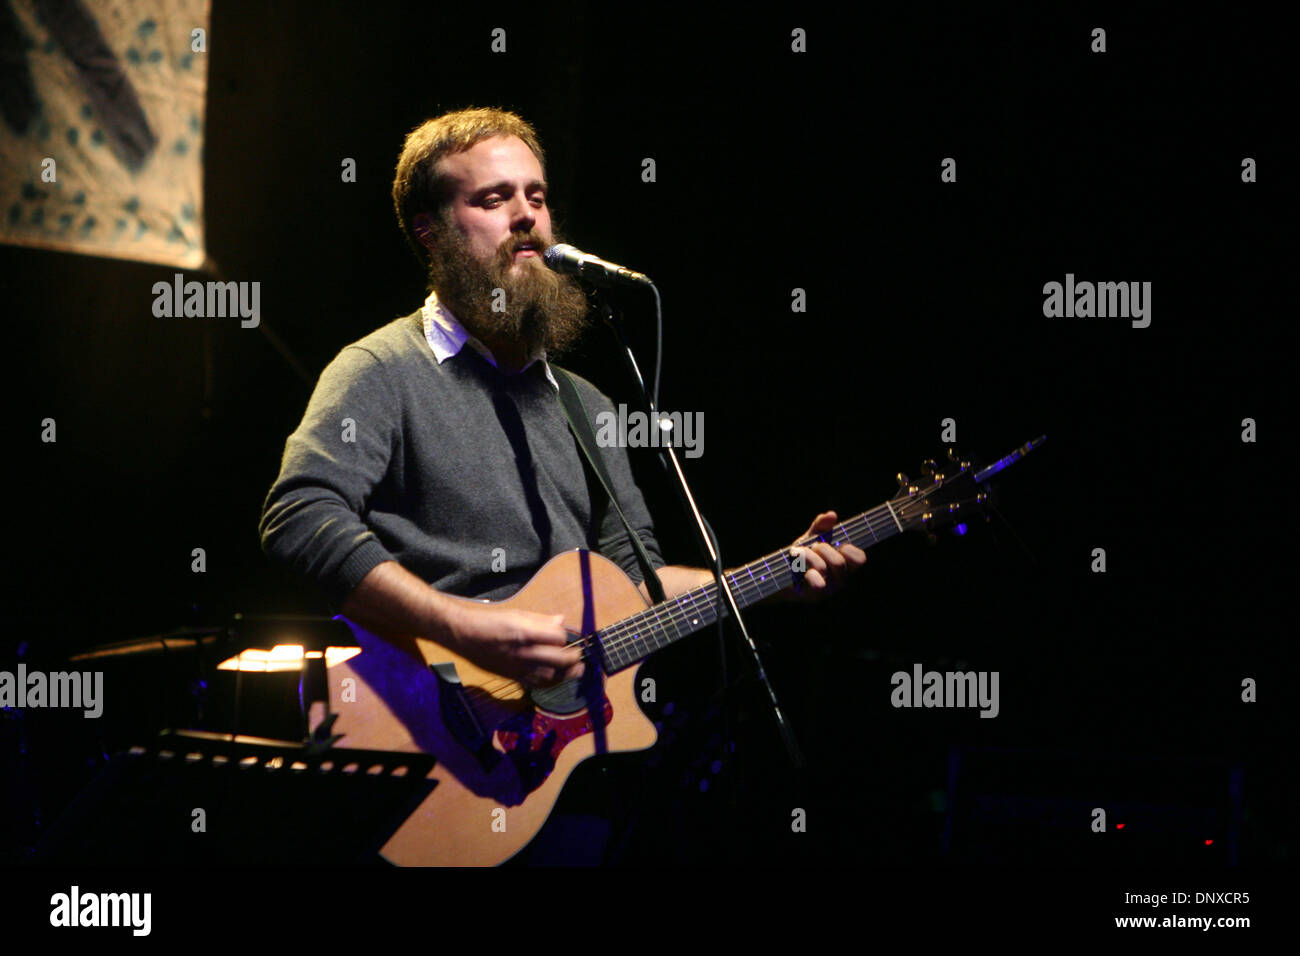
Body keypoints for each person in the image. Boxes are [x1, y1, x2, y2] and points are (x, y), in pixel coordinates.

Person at [259, 106, 865, 695]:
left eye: (537, 196)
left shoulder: (589, 407)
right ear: (431, 233)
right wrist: (462, 625)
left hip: (559, 760)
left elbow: (635, 584)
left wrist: (771, 580)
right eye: (494, 199)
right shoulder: (381, 369)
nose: (527, 216)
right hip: (429, 722)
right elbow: (299, 518)